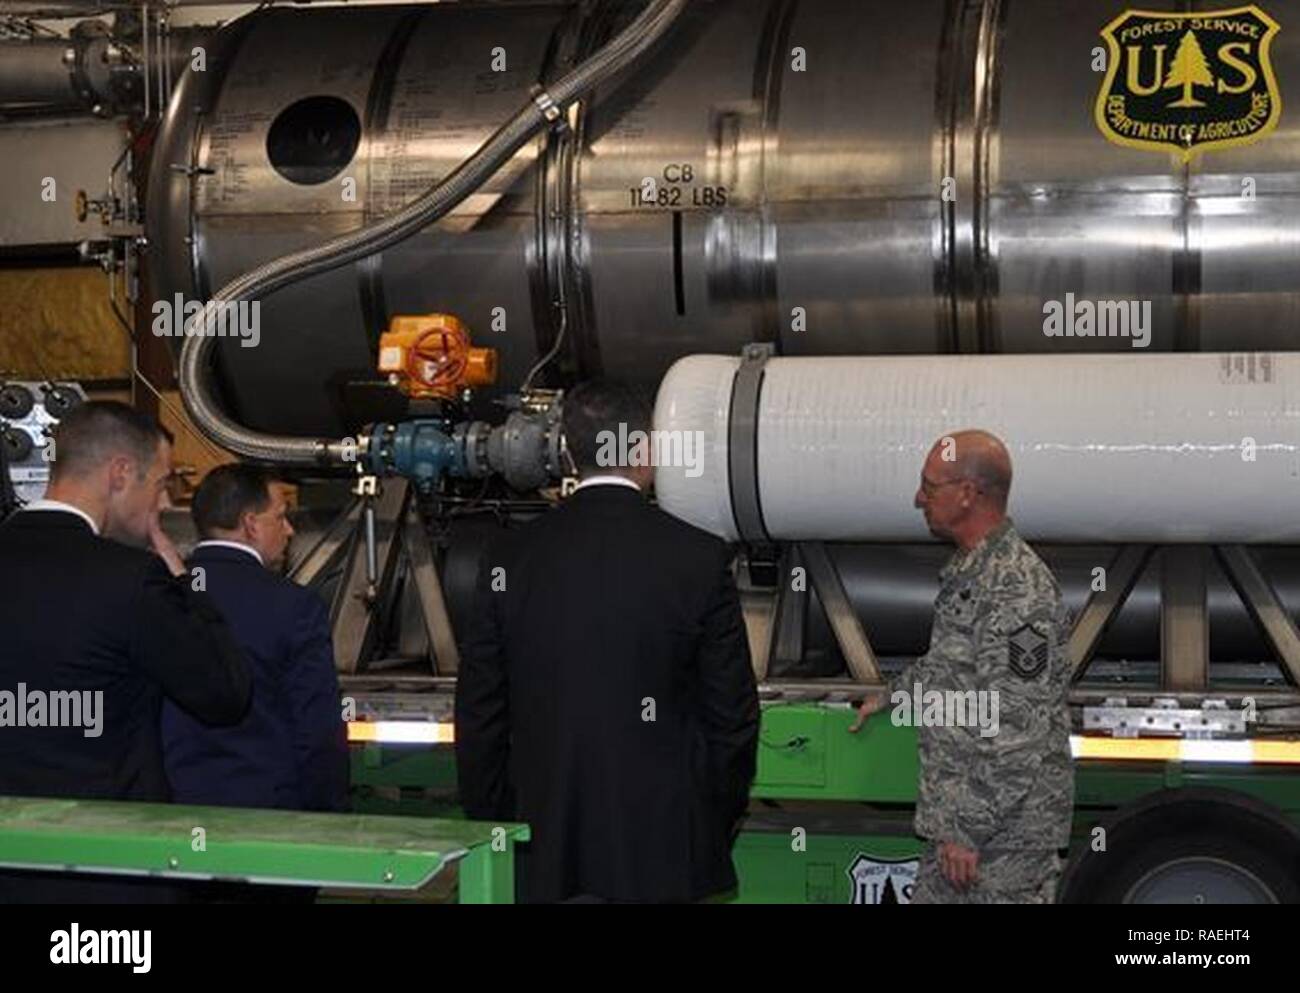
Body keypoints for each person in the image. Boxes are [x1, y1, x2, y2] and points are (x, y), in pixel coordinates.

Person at [456, 379, 759, 903]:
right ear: (642, 451)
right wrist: (706, 820)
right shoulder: (699, 559)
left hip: (543, 843)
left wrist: (499, 822)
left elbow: (480, 715)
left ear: (569, 452)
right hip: (662, 849)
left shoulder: (508, 560)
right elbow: (732, 721)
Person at [0, 401, 251, 903]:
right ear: (119, 474)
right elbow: (225, 694)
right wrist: (182, 579)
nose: (161, 506)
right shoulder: (130, 581)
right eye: (159, 485)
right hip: (108, 876)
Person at [849, 429, 1072, 903]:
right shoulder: (973, 571)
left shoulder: (1016, 589)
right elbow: (952, 667)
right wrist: (894, 695)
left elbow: (1015, 724)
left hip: (1000, 839)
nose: (918, 498)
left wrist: (968, 830)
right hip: (967, 828)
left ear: (968, 495)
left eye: (930, 488)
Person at [161, 464, 348, 815]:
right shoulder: (294, 606)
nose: (290, 530)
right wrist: (329, 814)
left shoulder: (160, 595)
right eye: (281, 517)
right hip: (266, 815)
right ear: (251, 524)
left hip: (171, 812)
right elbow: (316, 730)